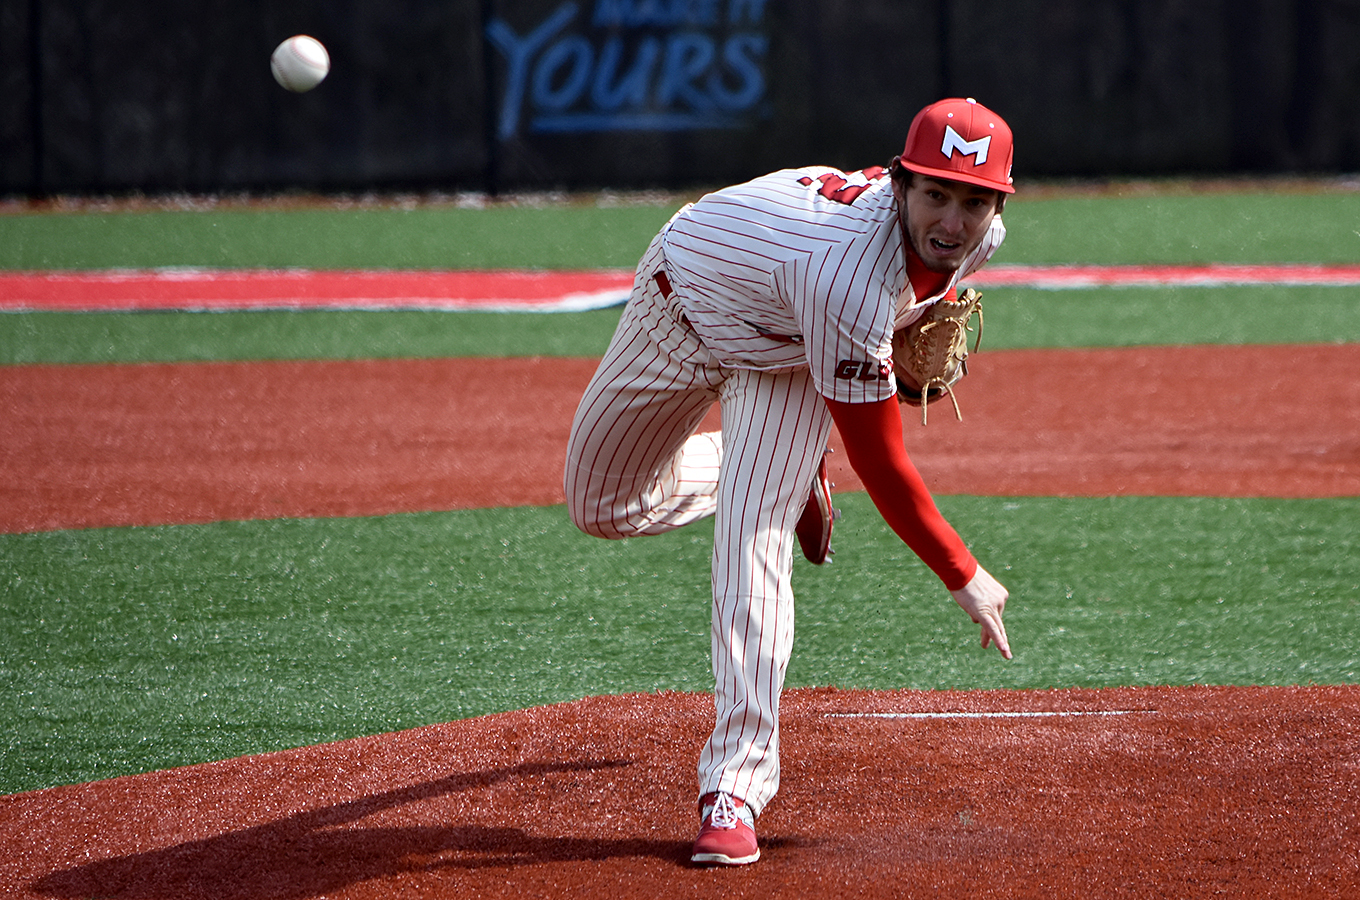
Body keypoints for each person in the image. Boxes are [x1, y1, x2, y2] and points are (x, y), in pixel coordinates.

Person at [564, 97, 1015, 866]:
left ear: (998, 204)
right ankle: (786, 473)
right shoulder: (846, 277)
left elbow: (901, 299)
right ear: (900, 185)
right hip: (679, 303)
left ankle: (732, 788)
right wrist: (962, 572)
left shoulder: (977, 241)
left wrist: (893, 331)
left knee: (753, 540)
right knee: (601, 505)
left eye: (973, 200)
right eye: (935, 193)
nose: (953, 218)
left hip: (790, 360)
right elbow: (879, 459)